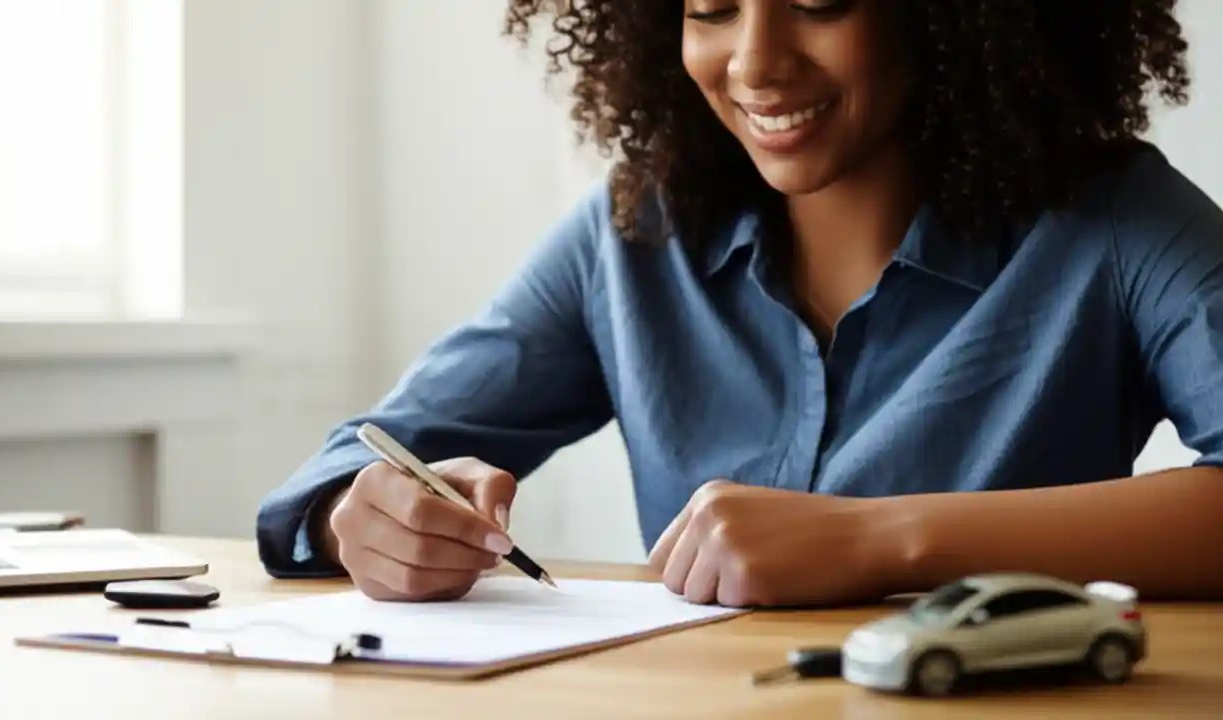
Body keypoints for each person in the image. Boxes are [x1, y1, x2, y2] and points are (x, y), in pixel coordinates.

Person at [257, 0, 1223, 607]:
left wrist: (879, 539)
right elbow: (371, 451)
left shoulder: (1117, 222)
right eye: (711, 5)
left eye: (817, 1)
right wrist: (366, 509)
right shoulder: (633, 233)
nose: (755, 62)